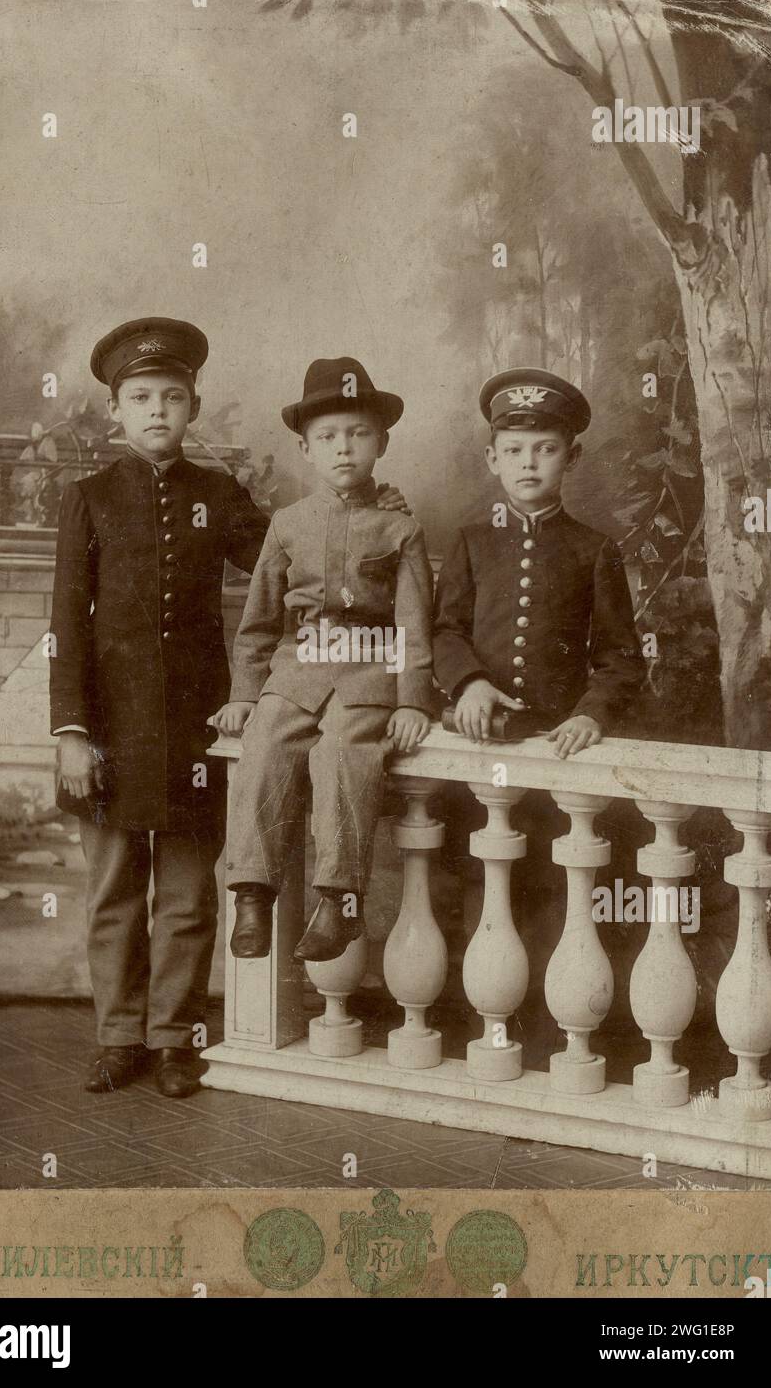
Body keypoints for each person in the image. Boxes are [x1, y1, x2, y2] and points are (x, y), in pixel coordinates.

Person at [50, 321, 412, 1097]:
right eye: (140, 398)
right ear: (115, 410)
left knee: (185, 893)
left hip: (193, 726)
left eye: (172, 399)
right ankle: (119, 1036)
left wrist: (372, 508)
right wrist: (71, 731)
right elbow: (64, 627)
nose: (157, 412)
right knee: (113, 889)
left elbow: (301, 556)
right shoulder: (87, 499)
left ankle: (175, 1036)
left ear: (193, 408)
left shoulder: (219, 496)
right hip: (111, 727)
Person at [210, 357, 434, 964]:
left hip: (369, 669)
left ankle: (338, 901)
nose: (343, 449)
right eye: (328, 437)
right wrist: (244, 694)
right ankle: (252, 892)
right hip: (301, 666)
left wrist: (413, 699)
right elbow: (259, 622)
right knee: (264, 745)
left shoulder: (400, 528)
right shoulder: (287, 524)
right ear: (305, 448)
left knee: (342, 754)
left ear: (381, 443)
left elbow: (414, 623)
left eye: (358, 434)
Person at [433, 367, 646, 897]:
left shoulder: (593, 549)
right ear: (492, 459)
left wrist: (591, 713)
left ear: (571, 458)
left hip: (556, 747)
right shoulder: (471, 541)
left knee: (551, 888)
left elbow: (621, 657)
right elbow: (445, 632)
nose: (528, 462)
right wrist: (470, 684)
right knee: (472, 881)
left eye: (546, 448)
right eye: (513, 449)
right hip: (480, 742)